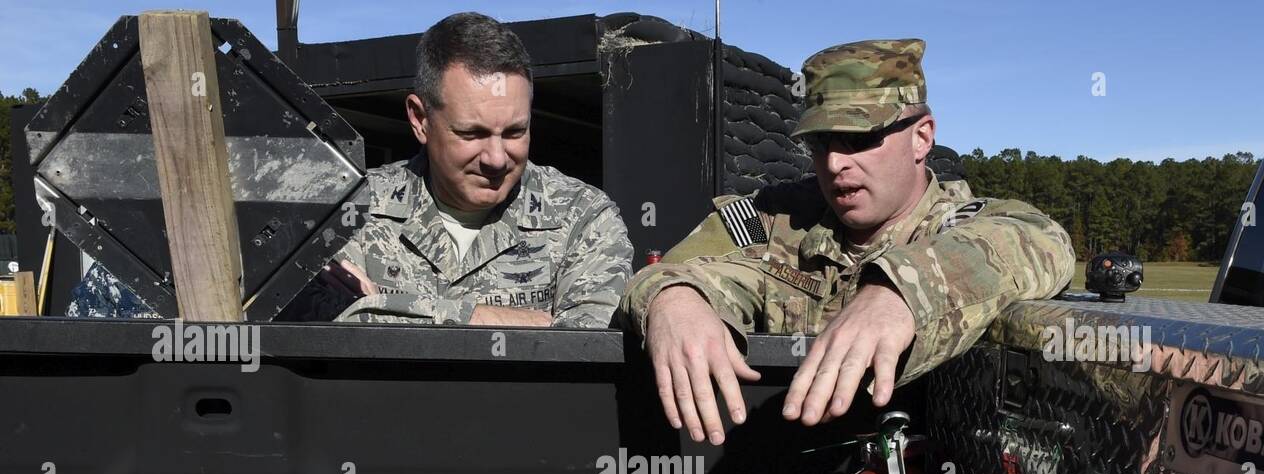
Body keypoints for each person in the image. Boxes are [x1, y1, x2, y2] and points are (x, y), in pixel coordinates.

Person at [617, 38, 1075, 444]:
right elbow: (686, 270)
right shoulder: (777, 220)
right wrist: (674, 298)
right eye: (821, 143)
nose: (835, 163)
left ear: (921, 138)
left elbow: (1041, 241)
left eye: (859, 139)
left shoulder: (955, 227)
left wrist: (900, 292)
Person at [69, 13, 634, 329]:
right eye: (471, 133)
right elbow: (294, 321)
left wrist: (384, 306)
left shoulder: (583, 217)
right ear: (419, 118)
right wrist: (496, 318)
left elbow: (584, 345)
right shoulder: (347, 211)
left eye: (515, 132)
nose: (496, 157)